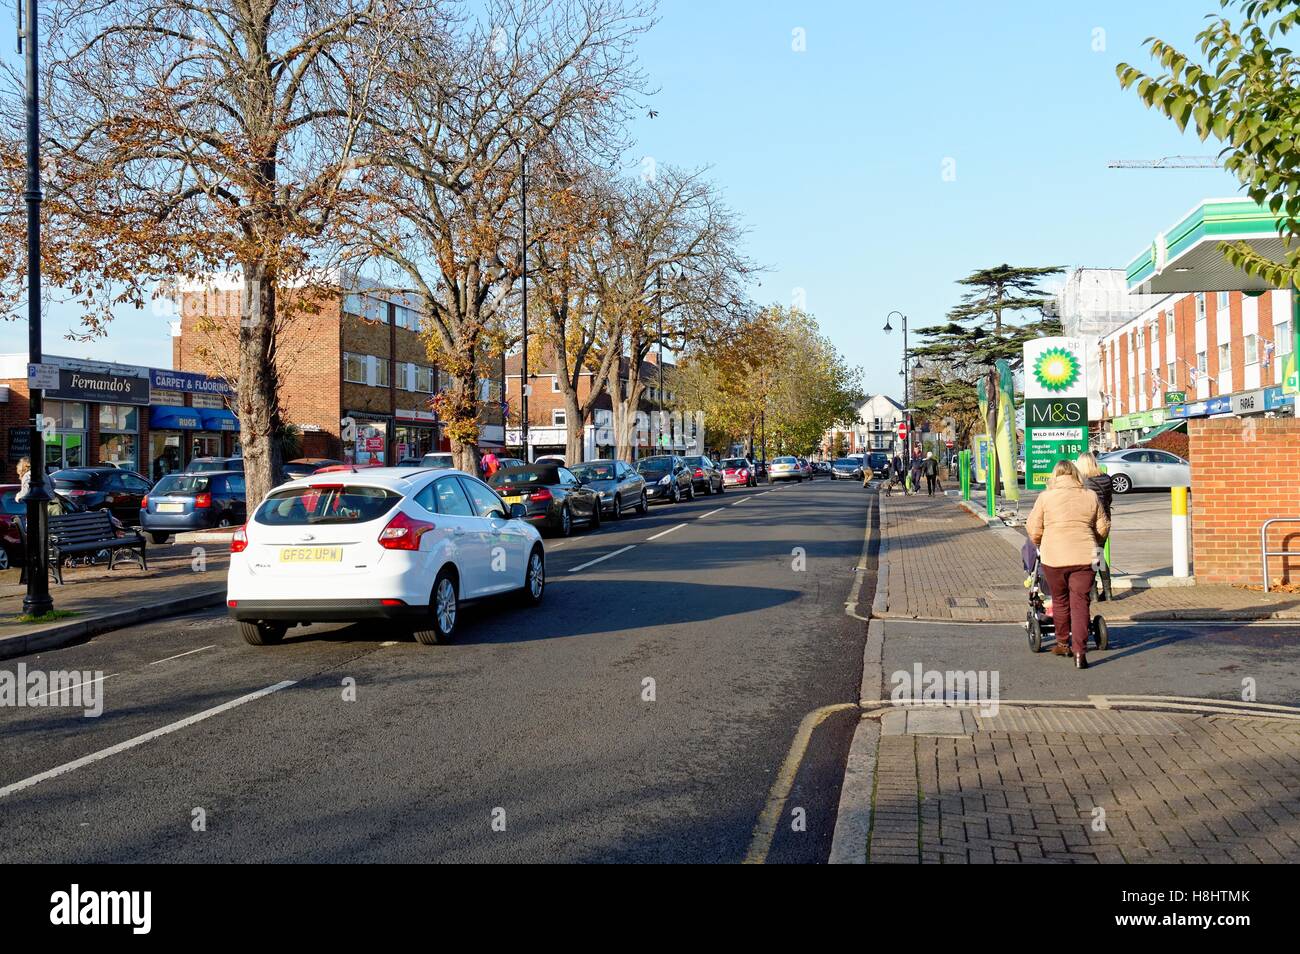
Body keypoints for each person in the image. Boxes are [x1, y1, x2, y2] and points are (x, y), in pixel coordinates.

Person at [1026, 460, 1110, 669]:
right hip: (1085, 556)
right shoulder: (1090, 495)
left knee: (1061, 601)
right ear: (1077, 475)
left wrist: (1041, 543)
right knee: (1081, 603)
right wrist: (1096, 543)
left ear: (1055, 476)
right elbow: (1103, 526)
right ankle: (1080, 653)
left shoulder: (1046, 497)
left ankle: (1063, 643)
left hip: (1054, 558)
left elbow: (1033, 527)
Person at [1075, 452, 1113, 600]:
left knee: (1088, 558)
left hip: (1088, 523)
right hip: (1104, 522)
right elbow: (1109, 500)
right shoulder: (1106, 479)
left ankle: (1093, 593)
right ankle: (1108, 592)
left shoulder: (1083, 482)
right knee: (1098, 555)